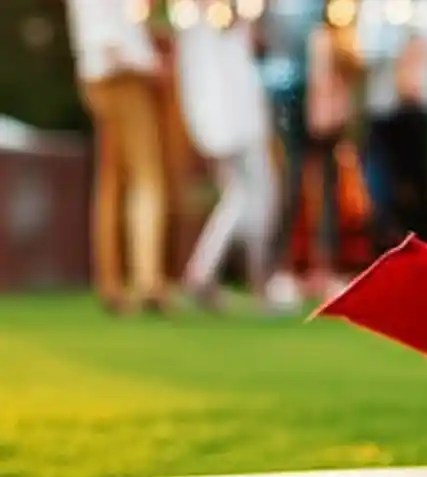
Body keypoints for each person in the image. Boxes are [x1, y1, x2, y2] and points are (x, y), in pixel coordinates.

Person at [65, 0, 169, 314]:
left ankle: (110, 281)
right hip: (122, 72)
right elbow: (110, 35)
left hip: (95, 72)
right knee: (147, 178)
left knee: (111, 179)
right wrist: (150, 64)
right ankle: (147, 280)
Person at [174, 2, 278, 310]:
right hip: (233, 122)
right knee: (250, 196)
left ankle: (214, 273)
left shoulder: (203, 21)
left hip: (232, 120)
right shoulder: (207, 19)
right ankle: (250, 278)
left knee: (246, 196)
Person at [356, 0, 427, 258]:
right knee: (381, 185)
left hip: (420, 108)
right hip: (383, 108)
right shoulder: (374, 7)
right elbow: (367, 50)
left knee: (422, 182)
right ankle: (388, 249)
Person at [259, 0, 342, 312]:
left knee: (325, 183)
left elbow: (326, 37)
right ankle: (281, 271)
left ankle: (326, 270)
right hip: (286, 93)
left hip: (317, 92)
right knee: (291, 183)